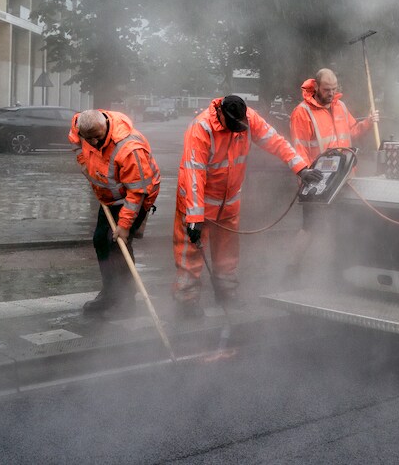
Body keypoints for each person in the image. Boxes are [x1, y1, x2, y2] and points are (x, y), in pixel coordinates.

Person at [173, 95, 321, 318]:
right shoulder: (201, 129)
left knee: (227, 254)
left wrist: (300, 168)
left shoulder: (248, 119)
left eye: (239, 127)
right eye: (233, 127)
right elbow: (194, 175)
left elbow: (276, 141)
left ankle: (226, 293)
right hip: (198, 204)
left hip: (228, 203)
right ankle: (186, 300)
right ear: (220, 114)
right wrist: (194, 218)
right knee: (191, 254)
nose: (237, 131)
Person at [68, 109, 160, 316]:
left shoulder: (129, 148)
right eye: (88, 138)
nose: (92, 142)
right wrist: (83, 159)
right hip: (109, 197)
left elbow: (137, 193)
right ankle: (110, 294)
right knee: (101, 240)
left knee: (117, 244)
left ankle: (125, 302)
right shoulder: (79, 126)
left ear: (106, 129)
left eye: (97, 138)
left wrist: (125, 226)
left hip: (136, 197)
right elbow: (74, 139)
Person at [289, 68, 379, 165]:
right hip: (320, 176)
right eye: (326, 90)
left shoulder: (340, 106)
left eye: (334, 89)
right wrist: (307, 175)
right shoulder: (302, 113)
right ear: (316, 86)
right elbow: (300, 152)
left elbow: (351, 134)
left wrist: (368, 122)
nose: (331, 93)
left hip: (345, 172)